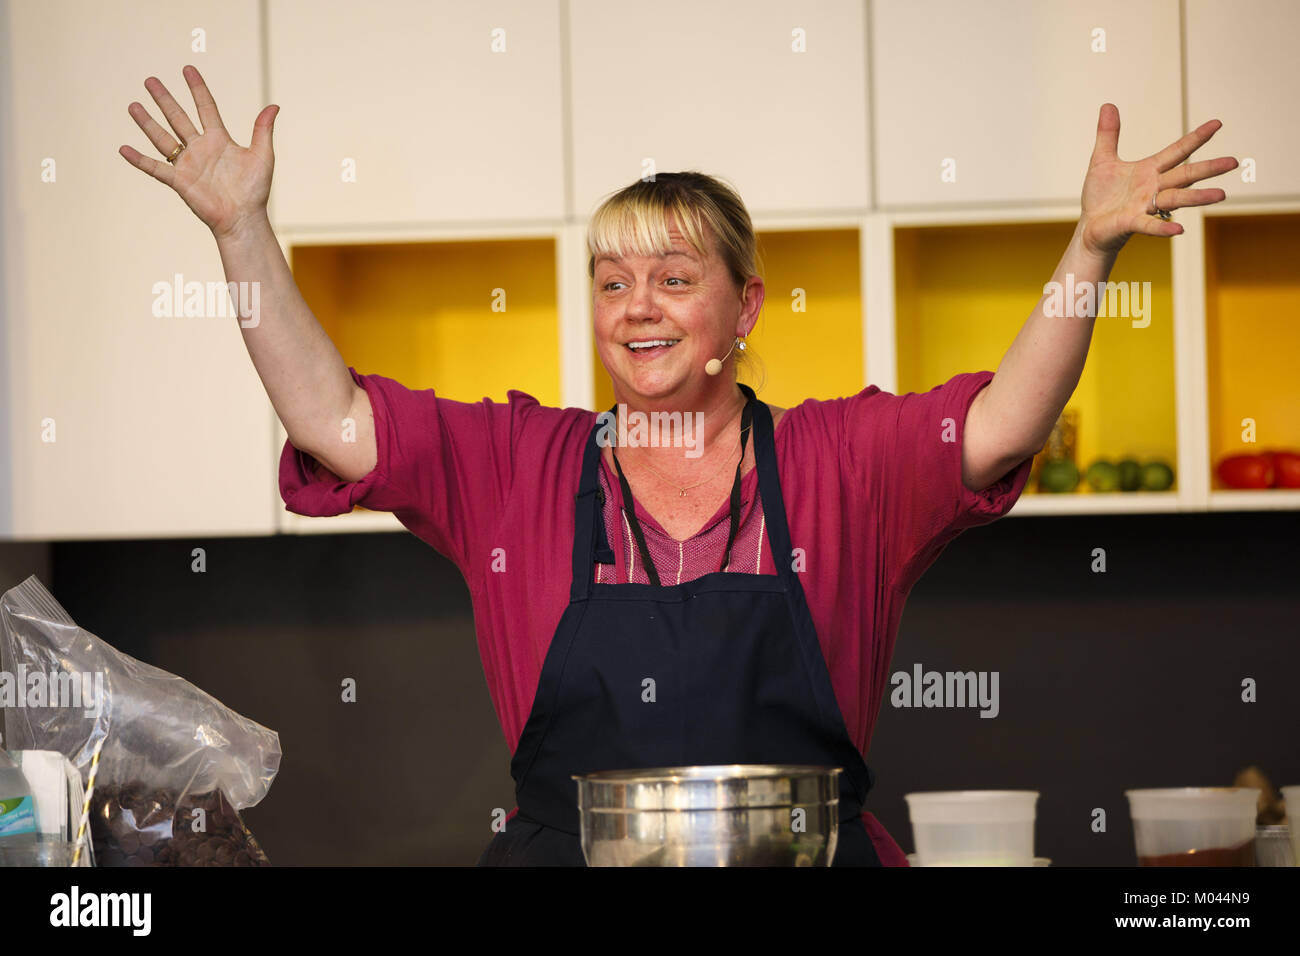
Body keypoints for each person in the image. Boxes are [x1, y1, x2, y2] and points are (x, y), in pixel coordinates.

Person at [120, 65, 1238, 866]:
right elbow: (333, 420)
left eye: (672, 278)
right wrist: (240, 232)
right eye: (611, 282)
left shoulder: (841, 460)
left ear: (744, 307)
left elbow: (1000, 425)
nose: (636, 307)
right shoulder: (518, 463)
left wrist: (1089, 247)